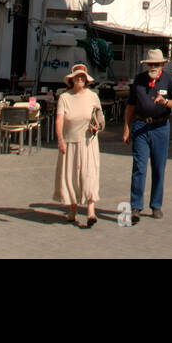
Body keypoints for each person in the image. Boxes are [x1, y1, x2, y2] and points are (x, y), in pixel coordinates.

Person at [122, 48, 172, 222]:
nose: (153, 67)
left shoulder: (169, 80)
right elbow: (131, 105)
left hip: (161, 127)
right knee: (139, 166)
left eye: (156, 64)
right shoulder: (139, 81)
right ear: (146, 66)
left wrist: (166, 102)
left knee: (158, 167)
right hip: (140, 125)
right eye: (150, 64)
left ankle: (156, 205)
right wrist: (126, 127)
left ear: (162, 65)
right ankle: (136, 206)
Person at [53, 64, 104, 228]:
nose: (80, 79)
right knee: (70, 178)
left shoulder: (92, 96)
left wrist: (98, 126)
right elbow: (59, 119)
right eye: (77, 77)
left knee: (88, 175)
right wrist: (60, 139)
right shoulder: (64, 97)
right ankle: (73, 209)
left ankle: (91, 211)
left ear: (86, 79)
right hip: (69, 142)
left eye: (82, 77)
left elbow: (99, 116)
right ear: (72, 79)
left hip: (88, 142)